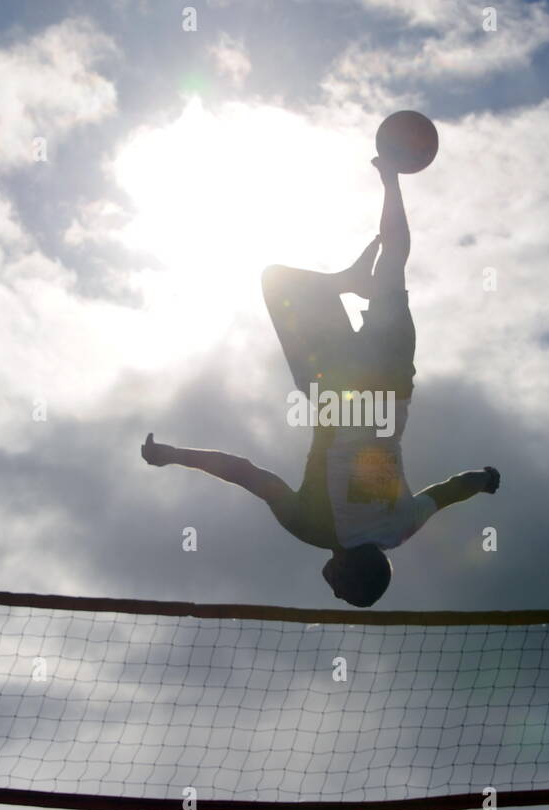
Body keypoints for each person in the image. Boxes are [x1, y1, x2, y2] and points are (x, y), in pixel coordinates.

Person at [142, 155, 499, 607]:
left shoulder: (401, 529)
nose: (330, 587)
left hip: (391, 383)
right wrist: (172, 455)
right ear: (349, 572)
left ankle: (388, 183)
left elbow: (451, 490)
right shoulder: (312, 529)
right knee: (277, 282)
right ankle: (346, 279)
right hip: (334, 385)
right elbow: (247, 473)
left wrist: (485, 479)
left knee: (393, 265)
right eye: (340, 589)